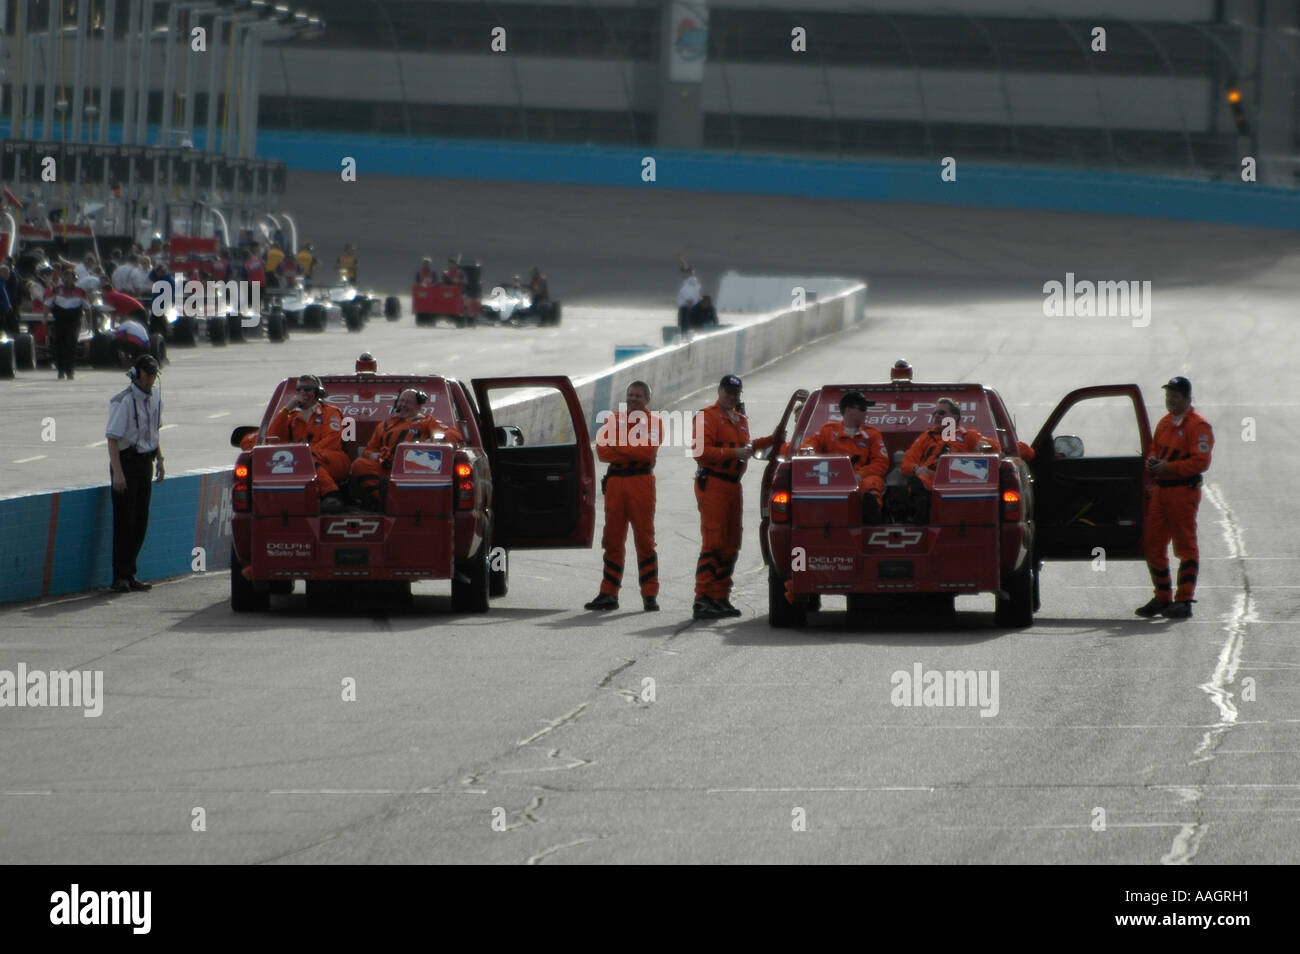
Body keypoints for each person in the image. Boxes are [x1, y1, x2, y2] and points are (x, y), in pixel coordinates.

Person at [691, 374, 773, 620]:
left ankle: (720, 596)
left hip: (733, 485)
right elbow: (700, 452)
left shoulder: (740, 418)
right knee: (714, 541)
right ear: (719, 391)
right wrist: (733, 452)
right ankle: (702, 598)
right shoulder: (707, 416)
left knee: (731, 542)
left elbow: (747, 446)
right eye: (728, 392)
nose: (731, 397)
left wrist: (773, 438)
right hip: (713, 482)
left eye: (736, 393)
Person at [1135, 377, 1214, 620]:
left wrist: (1170, 468)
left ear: (1188, 399)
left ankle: (1184, 599)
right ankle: (1162, 596)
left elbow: (1201, 462)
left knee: (1185, 545)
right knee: (1153, 544)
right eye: (1168, 396)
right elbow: (1154, 449)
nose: (1170, 400)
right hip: (1161, 491)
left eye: (1176, 396)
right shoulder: (1165, 424)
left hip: (1182, 491)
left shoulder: (1198, 426)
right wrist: (1152, 461)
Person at [584, 381, 662, 613]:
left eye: (638, 395)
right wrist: (629, 447)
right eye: (630, 395)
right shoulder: (613, 419)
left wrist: (619, 446)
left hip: (641, 484)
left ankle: (650, 595)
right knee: (612, 540)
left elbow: (647, 450)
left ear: (647, 399)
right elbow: (602, 451)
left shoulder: (654, 423)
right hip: (616, 484)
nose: (633, 399)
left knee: (645, 541)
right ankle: (609, 593)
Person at [105, 354, 165, 593]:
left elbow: (154, 432)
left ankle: (131, 573)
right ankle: (120, 575)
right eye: (147, 374)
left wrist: (159, 458)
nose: (151, 379)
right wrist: (118, 473)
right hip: (126, 463)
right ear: (137, 374)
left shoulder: (156, 398)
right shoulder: (124, 400)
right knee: (125, 522)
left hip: (145, 461)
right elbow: (112, 439)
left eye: (154, 374)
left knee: (140, 521)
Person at [350, 389, 464, 510]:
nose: (403, 405)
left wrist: (429, 442)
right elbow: (368, 451)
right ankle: (386, 499)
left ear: (418, 405)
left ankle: (396, 500)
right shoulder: (384, 425)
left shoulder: (427, 422)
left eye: (408, 402)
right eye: (401, 401)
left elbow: (453, 435)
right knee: (359, 464)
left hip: (412, 470)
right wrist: (375, 456)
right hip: (386, 468)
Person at [799, 390, 889, 523]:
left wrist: (861, 474)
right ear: (849, 410)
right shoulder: (828, 430)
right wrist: (811, 454)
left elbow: (881, 462)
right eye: (863, 408)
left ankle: (872, 516)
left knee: (872, 482)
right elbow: (807, 446)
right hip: (832, 477)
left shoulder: (872, 434)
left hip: (860, 478)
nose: (866, 412)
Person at [900, 396, 995, 522]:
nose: (937, 416)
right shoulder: (925, 437)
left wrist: (984, 447)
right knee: (915, 482)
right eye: (935, 413)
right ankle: (919, 517)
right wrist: (916, 469)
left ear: (954, 417)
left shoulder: (968, 435)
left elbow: (994, 446)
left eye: (942, 413)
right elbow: (906, 463)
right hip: (929, 480)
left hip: (956, 482)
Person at [265, 374, 350, 512]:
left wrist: (305, 454)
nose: (302, 393)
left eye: (307, 389)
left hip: (333, 459)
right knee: (302, 460)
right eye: (299, 389)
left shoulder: (330, 412)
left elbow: (332, 441)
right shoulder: (291, 417)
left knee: (308, 459)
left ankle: (332, 494)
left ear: (318, 392)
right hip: (304, 461)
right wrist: (286, 410)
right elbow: (272, 436)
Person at [48, 268, 87, 381]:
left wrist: (89, 323)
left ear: (74, 279)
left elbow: (87, 307)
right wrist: (45, 318)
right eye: (66, 277)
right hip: (60, 320)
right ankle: (61, 371)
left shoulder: (80, 291)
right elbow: (47, 303)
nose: (68, 279)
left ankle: (70, 371)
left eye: (70, 277)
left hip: (74, 321)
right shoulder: (56, 290)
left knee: (71, 345)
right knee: (59, 345)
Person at [676, 253, 701, 336]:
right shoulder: (690, 281)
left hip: (687, 308)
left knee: (685, 328)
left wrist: (689, 310)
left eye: (683, 272)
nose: (682, 273)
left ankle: (685, 338)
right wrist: (681, 259)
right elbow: (687, 268)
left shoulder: (690, 283)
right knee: (685, 327)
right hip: (687, 308)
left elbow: (690, 299)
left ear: (688, 273)